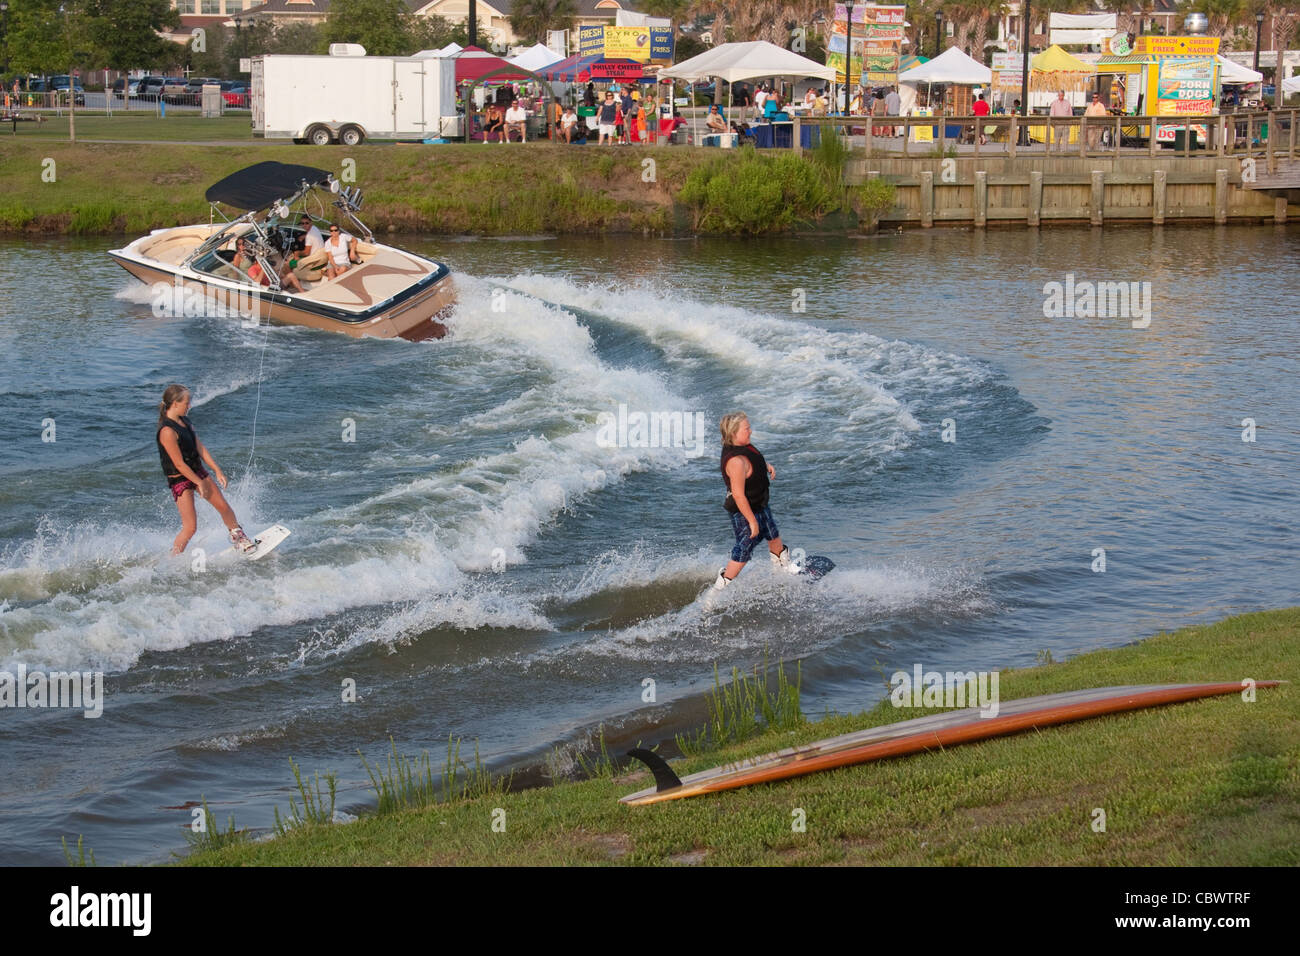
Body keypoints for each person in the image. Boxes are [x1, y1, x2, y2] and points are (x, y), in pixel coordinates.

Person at [156, 384, 256, 555]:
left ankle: (239, 538)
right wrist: (198, 483)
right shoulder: (167, 430)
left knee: (224, 507)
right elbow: (179, 464)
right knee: (190, 527)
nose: (189, 406)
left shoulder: (185, 421)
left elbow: (199, 448)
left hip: (197, 471)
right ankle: (172, 560)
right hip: (179, 478)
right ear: (175, 403)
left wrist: (217, 470)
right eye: (186, 403)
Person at [713, 412, 795, 591]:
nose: (750, 431)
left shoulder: (743, 445)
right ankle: (721, 586)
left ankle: (781, 569)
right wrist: (751, 521)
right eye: (746, 428)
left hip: (759, 503)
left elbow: (753, 460)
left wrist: (765, 466)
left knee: (773, 534)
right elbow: (739, 496)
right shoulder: (735, 461)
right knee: (745, 546)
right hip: (744, 510)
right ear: (734, 433)